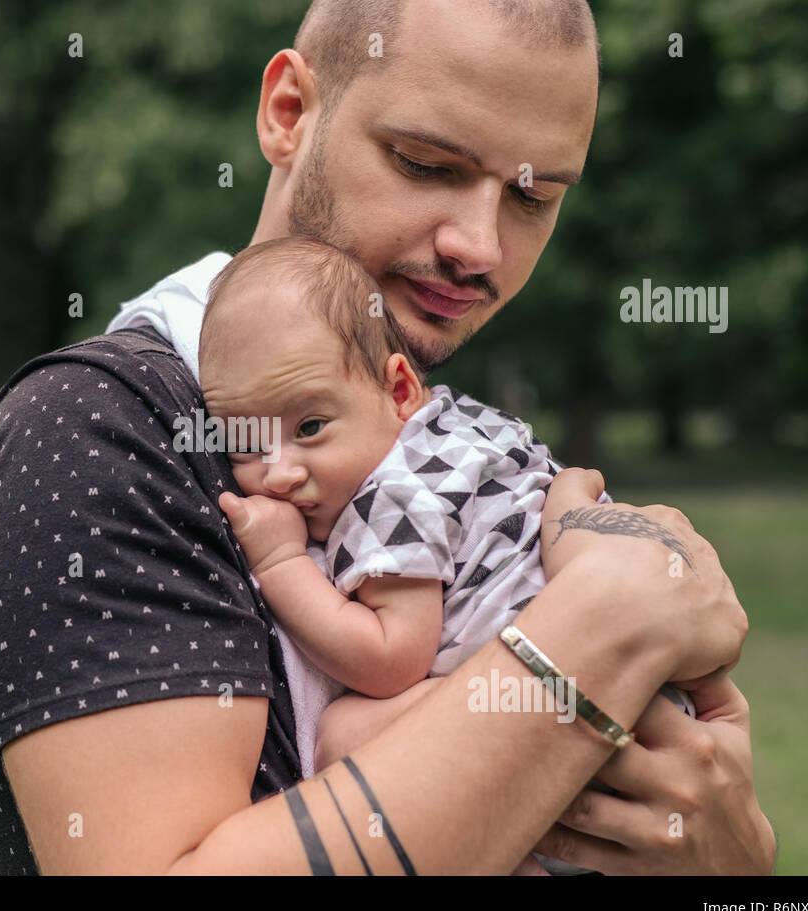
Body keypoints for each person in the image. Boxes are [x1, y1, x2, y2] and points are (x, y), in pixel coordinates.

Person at [0, 0, 775, 874]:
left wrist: (742, 866)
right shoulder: (91, 433)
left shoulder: (424, 441)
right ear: (288, 113)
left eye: (533, 196)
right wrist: (603, 630)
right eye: (427, 163)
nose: (480, 245)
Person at [198, 234, 698, 875]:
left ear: (400, 390)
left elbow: (391, 660)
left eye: (310, 428)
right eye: (247, 445)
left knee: (345, 733)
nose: (281, 474)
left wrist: (281, 565)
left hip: (582, 728)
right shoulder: (465, 427)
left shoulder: (395, 490)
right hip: (637, 707)